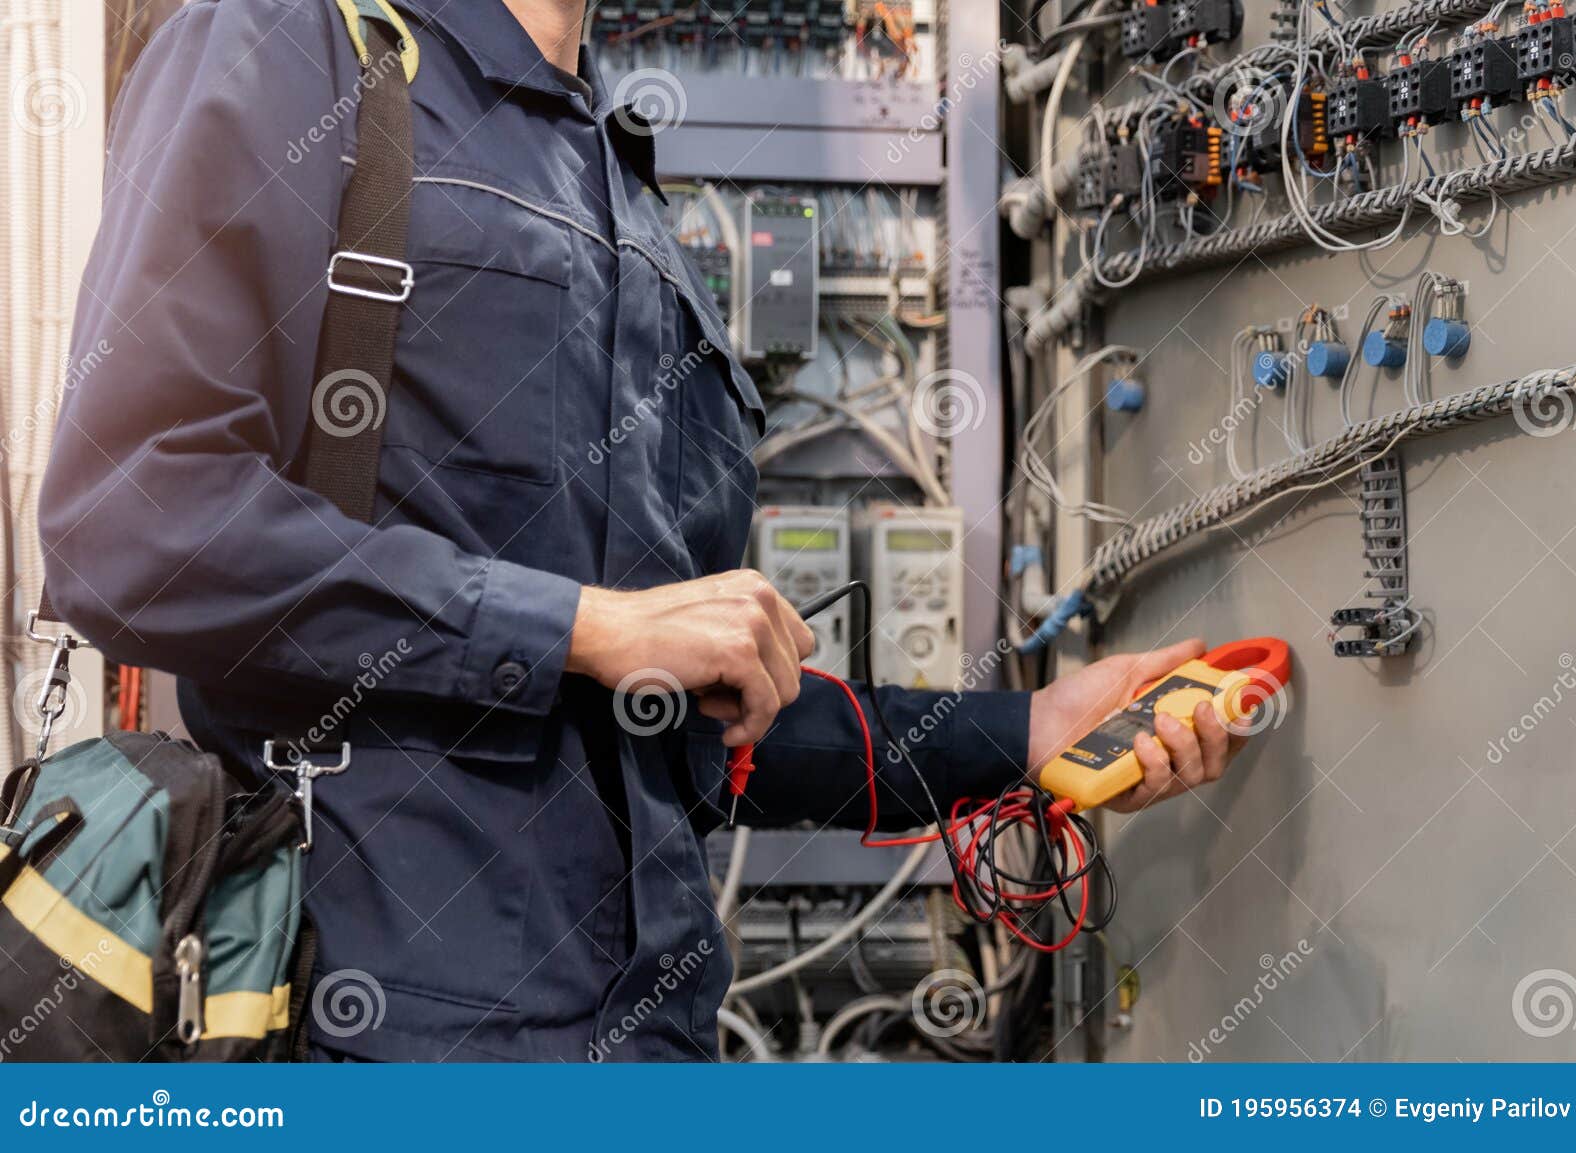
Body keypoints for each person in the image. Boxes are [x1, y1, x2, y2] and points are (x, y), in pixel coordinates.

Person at [38, 0, 1243, 1062]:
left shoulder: (615, 183)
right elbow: (132, 522)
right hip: (373, 1026)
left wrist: (1026, 731)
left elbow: (699, 708)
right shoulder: (290, 45)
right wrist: (579, 624)